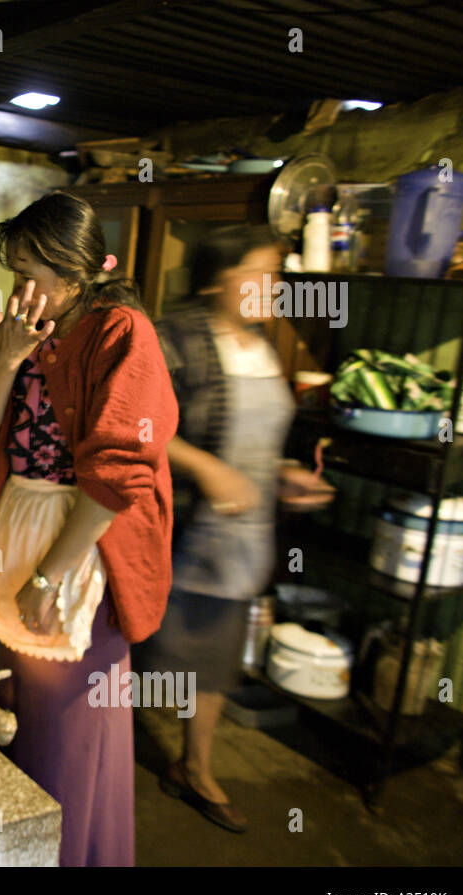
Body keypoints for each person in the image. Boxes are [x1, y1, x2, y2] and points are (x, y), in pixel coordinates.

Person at [0, 190, 178, 866]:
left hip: (81, 551)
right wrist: (8, 358)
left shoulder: (120, 334)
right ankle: (28, 848)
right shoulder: (19, 333)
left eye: (28, 274)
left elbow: (116, 479)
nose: (16, 289)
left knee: (72, 735)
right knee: (26, 715)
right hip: (18, 535)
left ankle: (73, 852)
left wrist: (49, 576)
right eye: (13, 272)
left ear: (74, 277)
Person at [138, 224, 333, 833]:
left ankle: (194, 768)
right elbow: (138, 427)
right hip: (177, 529)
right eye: (260, 274)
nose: (273, 287)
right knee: (139, 654)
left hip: (241, 538)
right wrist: (208, 470)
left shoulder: (262, 347)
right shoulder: (176, 341)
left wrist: (282, 474)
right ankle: (93, 761)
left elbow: (252, 440)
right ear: (216, 280)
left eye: (276, 275)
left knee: (215, 660)